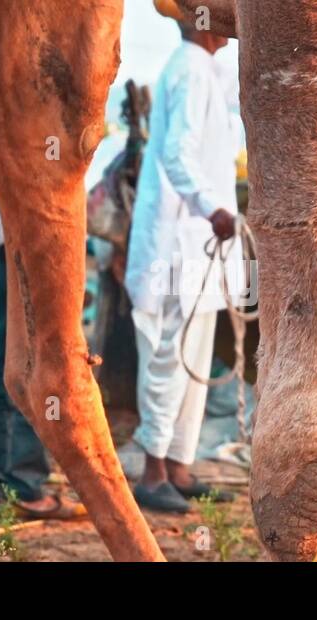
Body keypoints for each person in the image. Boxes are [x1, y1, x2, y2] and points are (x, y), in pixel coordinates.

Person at [124, 13, 242, 513]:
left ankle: (179, 467)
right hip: (179, 242)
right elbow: (177, 154)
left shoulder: (204, 69)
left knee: (193, 360)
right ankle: (152, 472)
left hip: (196, 243)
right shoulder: (190, 69)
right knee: (169, 357)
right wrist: (209, 206)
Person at [0, 187, 86, 521]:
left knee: (11, 352)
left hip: (19, 226)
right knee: (24, 355)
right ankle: (20, 488)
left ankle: (8, 487)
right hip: (25, 227)